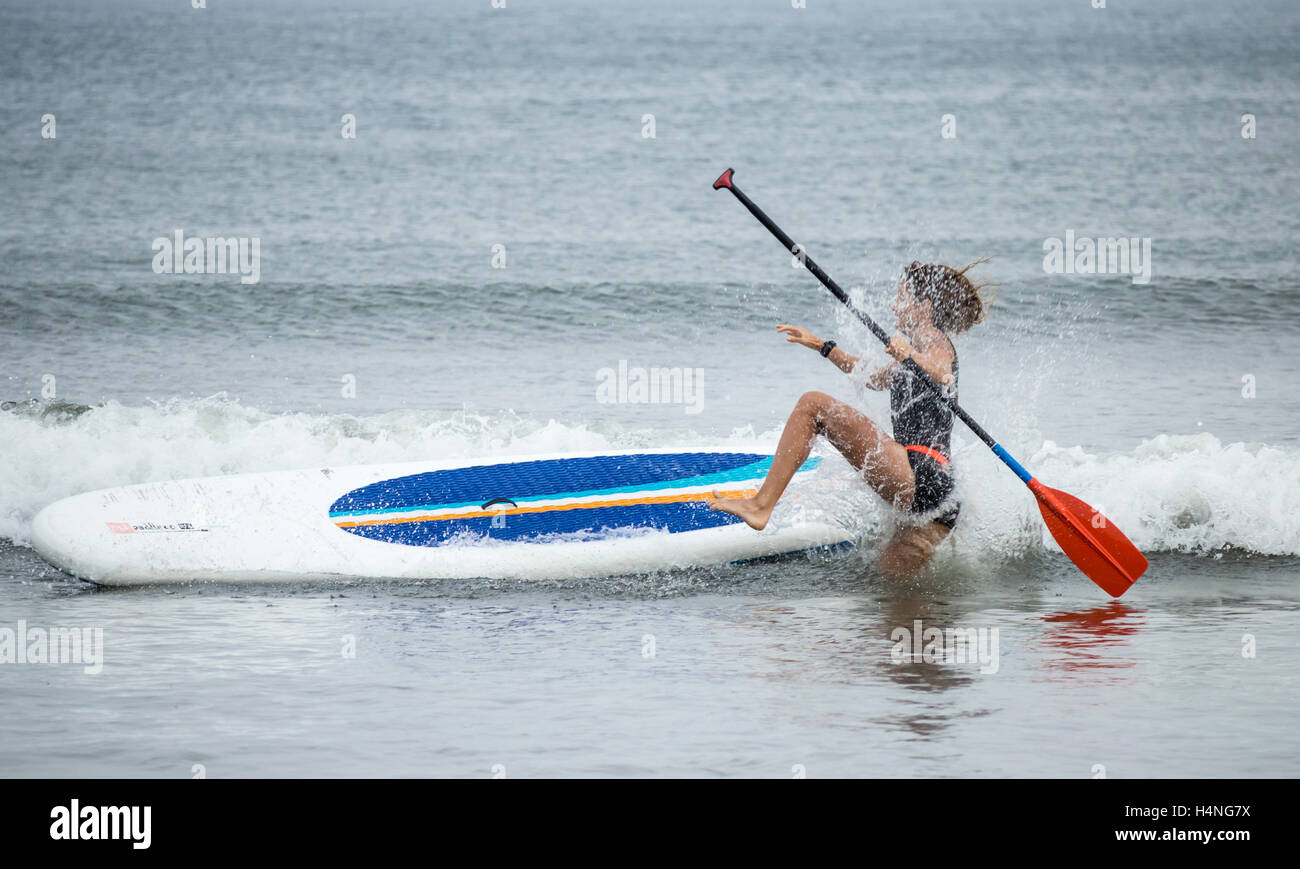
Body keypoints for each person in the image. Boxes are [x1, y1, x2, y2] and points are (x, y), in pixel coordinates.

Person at [708, 259, 994, 578]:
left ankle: (760, 506)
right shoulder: (916, 349)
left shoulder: (932, 338)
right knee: (893, 594)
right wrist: (821, 345)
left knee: (812, 405)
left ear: (923, 308)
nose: (894, 306)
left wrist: (910, 355)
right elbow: (870, 377)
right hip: (940, 499)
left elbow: (942, 374)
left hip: (920, 472)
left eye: (902, 298)